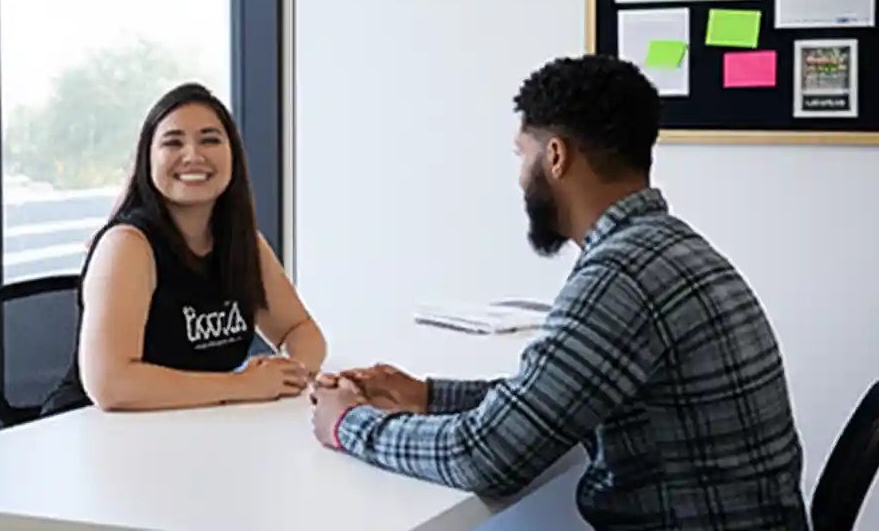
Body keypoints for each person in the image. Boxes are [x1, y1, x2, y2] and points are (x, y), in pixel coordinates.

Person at [310, 56, 809, 530]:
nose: (520, 176)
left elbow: (486, 457)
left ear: (555, 156)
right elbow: (552, 399)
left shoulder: (622, 276)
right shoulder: (667, 248)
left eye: (521, 155)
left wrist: (348, 424)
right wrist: (427, 395)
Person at [42, 82, 326, 414]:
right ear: (148, 160)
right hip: (97, 432)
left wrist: (289, 374)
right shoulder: (127, 245)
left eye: (210, 140)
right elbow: (110, 383)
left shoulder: (241, 242)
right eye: (173, 142)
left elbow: (301, 331)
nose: (193, 156)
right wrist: (245, 385)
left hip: (193, 426)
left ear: (233, 154)